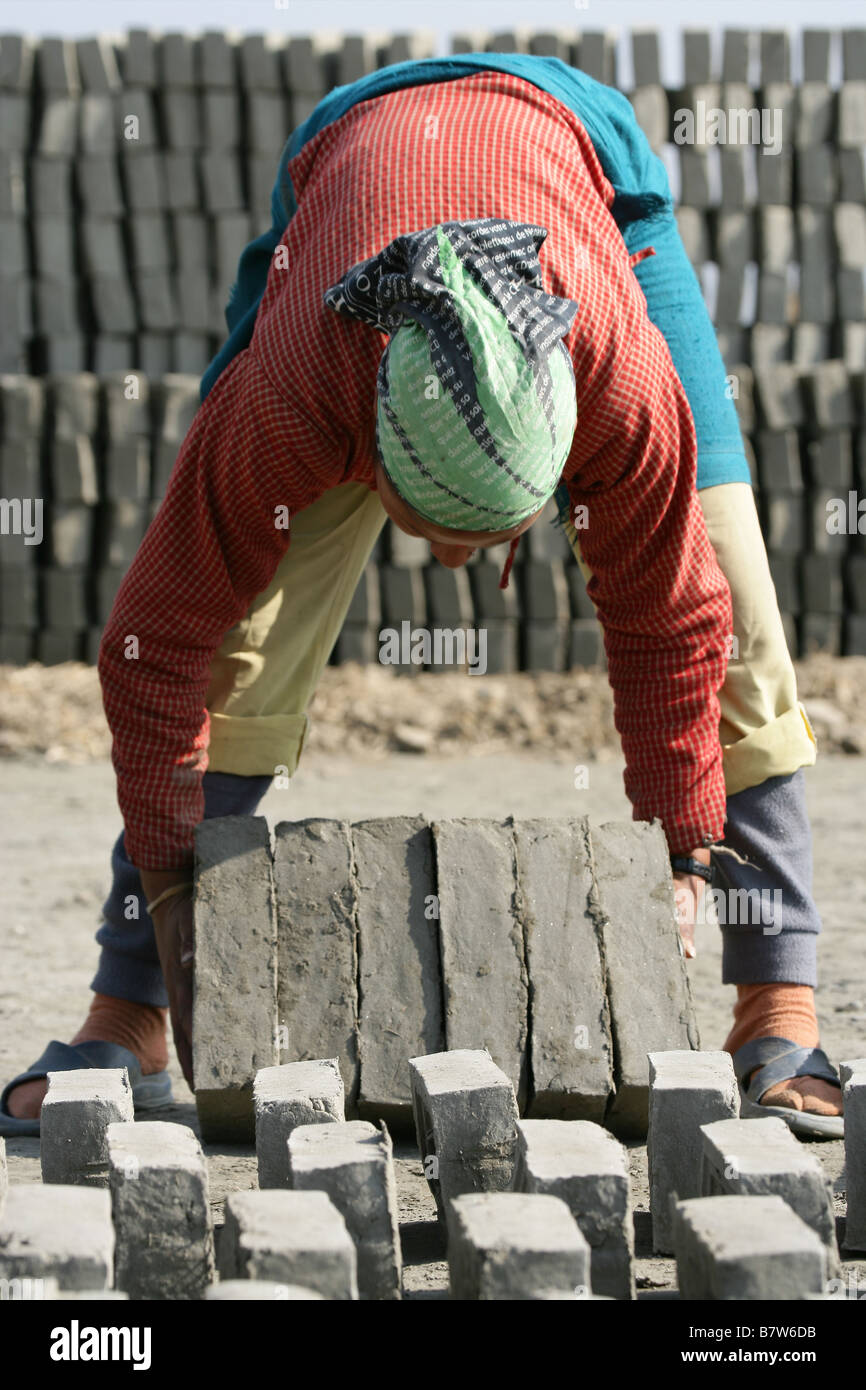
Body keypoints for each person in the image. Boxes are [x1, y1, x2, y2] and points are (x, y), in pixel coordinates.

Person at [0, 53, 842, 1138]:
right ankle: (128, 1016)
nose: (452, 569)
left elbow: (672, 622)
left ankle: (777, 1008)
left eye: (489, 537)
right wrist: (171, 897)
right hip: (342, 175)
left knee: (734, 613)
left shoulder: (619, 389)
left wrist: (683, 853)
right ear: (369, 450)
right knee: (239, 651)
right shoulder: (295, 395)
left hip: (584, 177)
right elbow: (155, 642)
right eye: (436, 530)